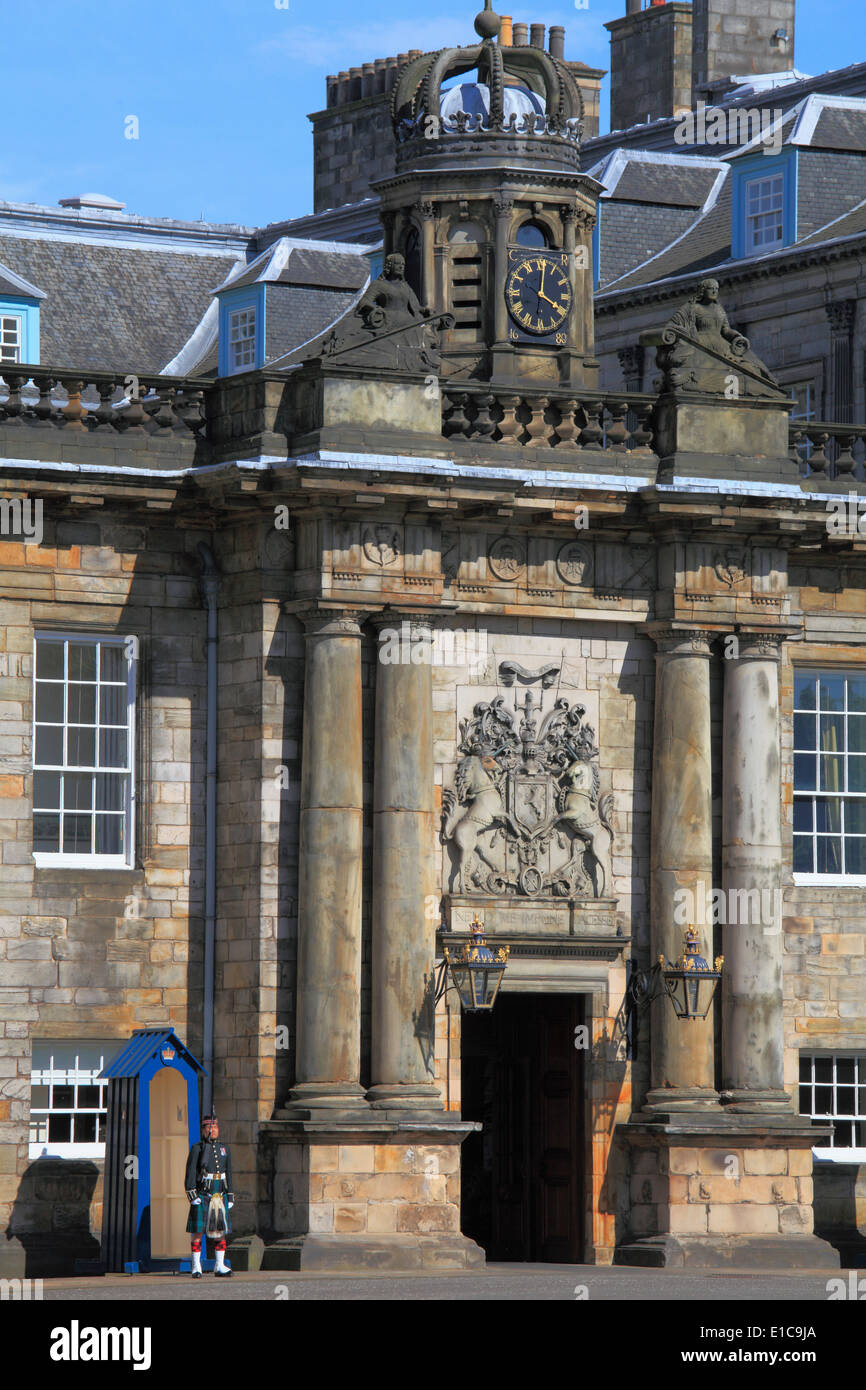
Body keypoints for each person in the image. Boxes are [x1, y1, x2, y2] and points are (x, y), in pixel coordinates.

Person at [184, 1112, 234, 1278]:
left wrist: (230, 1195)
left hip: (219, 1194)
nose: (213, 1130)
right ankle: (196, 1266)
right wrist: (192, 1194)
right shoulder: (197, 1148)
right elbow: (191, 1172)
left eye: (215, 1127)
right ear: (203, 1130)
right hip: (203, 1193)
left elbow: (228, 1173)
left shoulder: (224, 1148)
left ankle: (219, 1265)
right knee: (198, 1232)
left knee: (220, 1232)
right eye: (209, 1127)